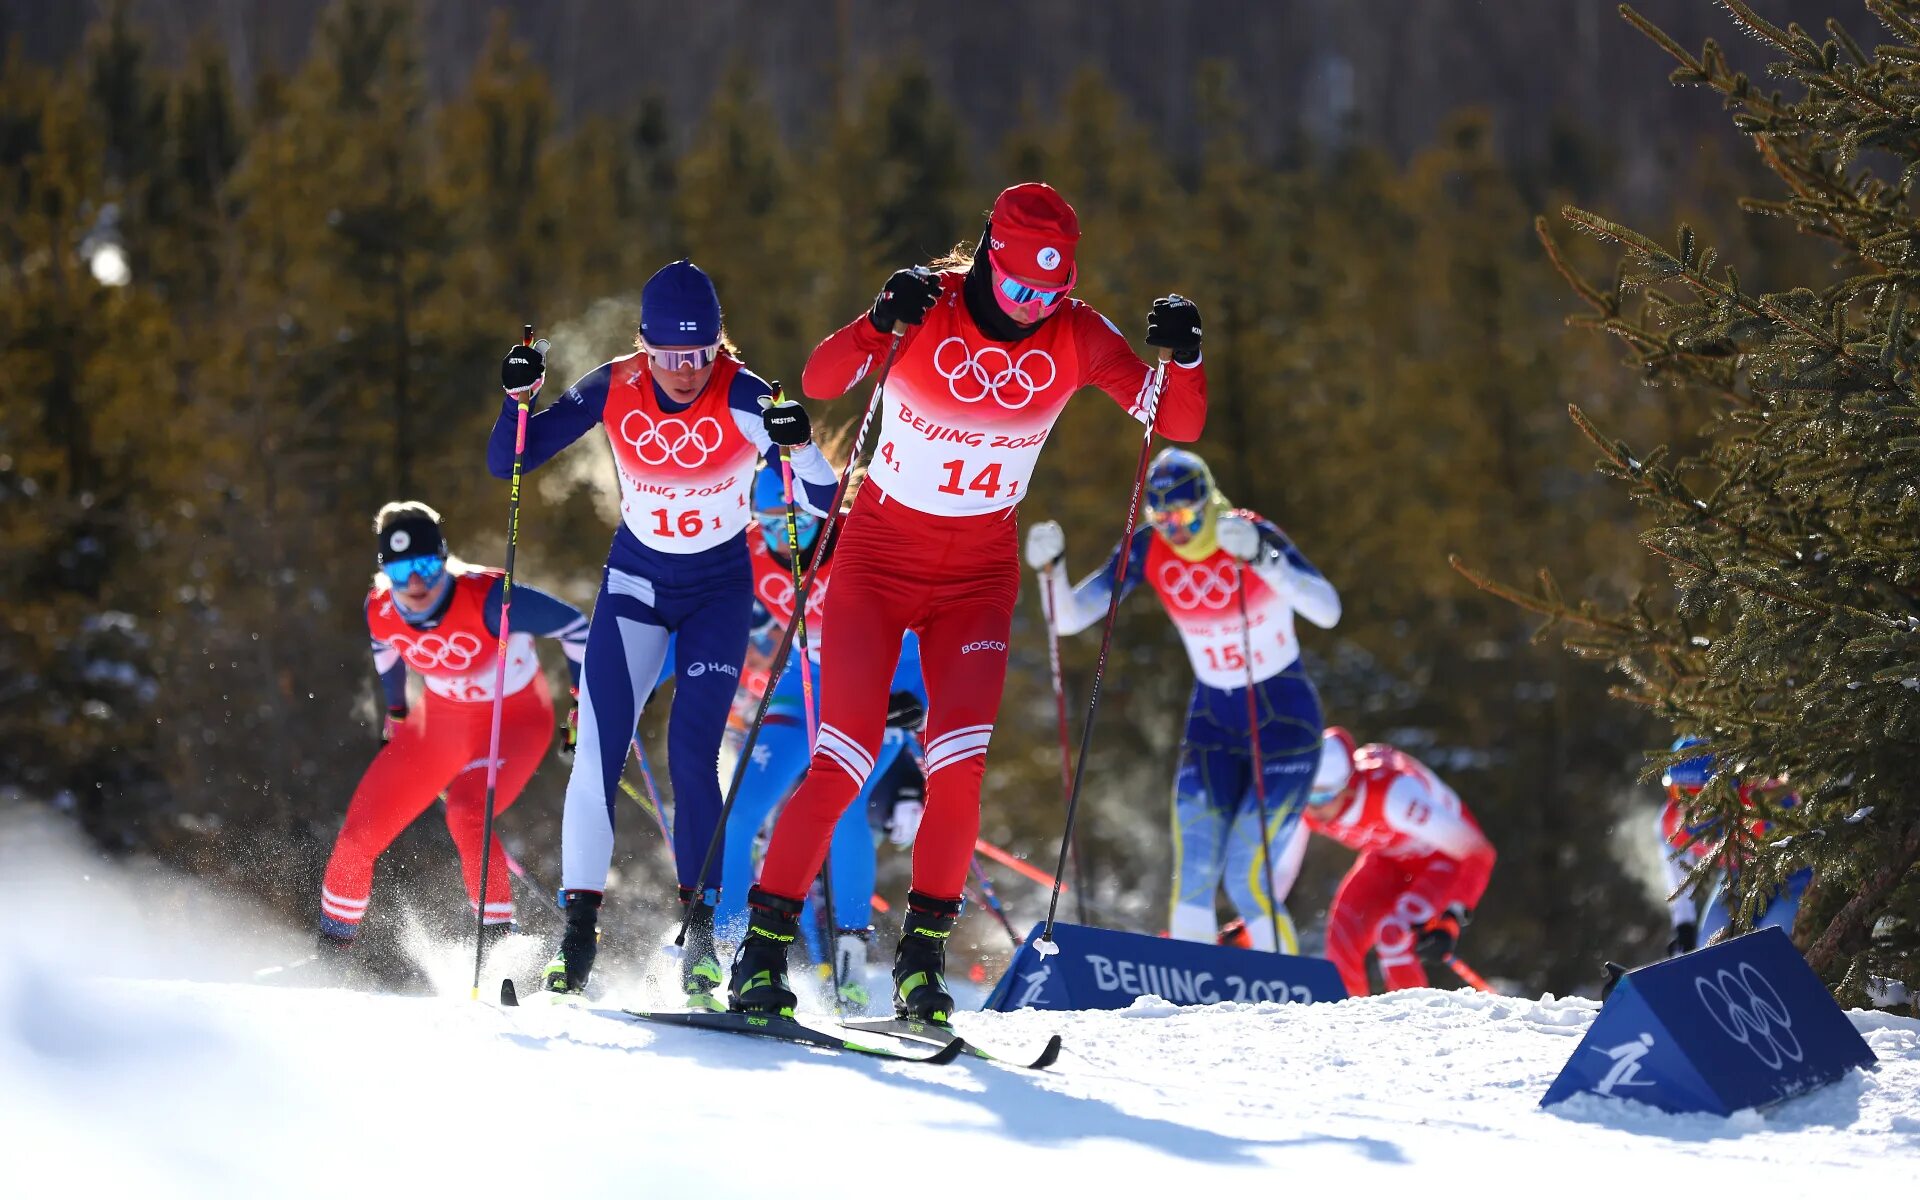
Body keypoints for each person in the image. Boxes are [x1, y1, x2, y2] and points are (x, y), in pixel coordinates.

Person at [727, 180, 1209, 1022]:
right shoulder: (929, 306)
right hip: (877, 557)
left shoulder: (1080, 334)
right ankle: (762, 951)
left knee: (958, 771)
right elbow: (820, 376)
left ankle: (920, 964)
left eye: (1049, 294)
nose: (1031, 308)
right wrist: (879, 320)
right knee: (842, 760)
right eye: (1020, 288)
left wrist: (1188, 357)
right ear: (989, 258)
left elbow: (1178, 421)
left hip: (979, 574)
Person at [489, 259, 838, 1005]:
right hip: (636, 588)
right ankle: (576, 941)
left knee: (691, 754)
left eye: (701, 353)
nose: (686, 371)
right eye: (671, 355)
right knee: (597, 756)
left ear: (719, 346)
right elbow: (508, 459)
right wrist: (518, 399)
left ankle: (702, 943)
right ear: (645, 347)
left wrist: (800, 444)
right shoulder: (615, 384)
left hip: (715, 595)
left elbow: (823, 499)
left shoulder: (746, 395)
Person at [1026, 448, 1338, 952]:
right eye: (1161, 517)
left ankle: (1286, 996)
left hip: (1282, 718)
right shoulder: (1149, 547)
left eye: (1185, 516)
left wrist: (1263, 557)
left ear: (1207, 502)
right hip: (1213, 717)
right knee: (1192, 872)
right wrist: (1051, 572)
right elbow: (1068, 618)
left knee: (1246, 877)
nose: (1175, 529)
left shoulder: (1246, 531)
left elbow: (1327, 610)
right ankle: (1193, 1012)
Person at [317, 501, 586, 961]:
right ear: (385, 575)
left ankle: (501, 953)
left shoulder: (490, 599)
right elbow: (385, 648)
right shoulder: (380, 608)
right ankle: (331, 954)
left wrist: (583, 701)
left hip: (515, 721)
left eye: (424, 567)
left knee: (466, 813)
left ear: (443, 560)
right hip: (440, 721)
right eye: (401, 573)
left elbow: (576, 626)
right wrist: (397, 710)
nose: (415, 583)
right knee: (359, 835)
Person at [715, 464, 929, 1015]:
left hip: (869, 684)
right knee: (741, 809)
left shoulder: (861, 539)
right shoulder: (751, 551)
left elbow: (914, 622)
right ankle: (723, 948)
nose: (775, 535)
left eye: (789, 521)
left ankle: (849, 959)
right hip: (802, 681)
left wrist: (910, 700)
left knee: (845, 808)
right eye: (761, 521)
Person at [1301, 727, 1497, 996]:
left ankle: (1417, 1030)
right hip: (1389, 858)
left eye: (1322, 796)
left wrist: (1451, 917)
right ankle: (1351, 1030)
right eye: (1306, 796)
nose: (1313, 808)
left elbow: (1479, 853)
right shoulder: (1306, 806)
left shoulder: (1395, 797)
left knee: (1392, 935)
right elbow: (1278, 864)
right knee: (1340, 943)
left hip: (1443, 858)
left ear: (1347, 786)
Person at [1655, 735, 1807, 954]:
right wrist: (1684, 925)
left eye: (1698, 793)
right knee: (1708, 944)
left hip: (1794, 876)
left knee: (1773, 941)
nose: (1690, 806)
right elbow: (1676, 873)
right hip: (1738, 879)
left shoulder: (1763, 803)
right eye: (1679, 792)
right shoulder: (1672, 823)